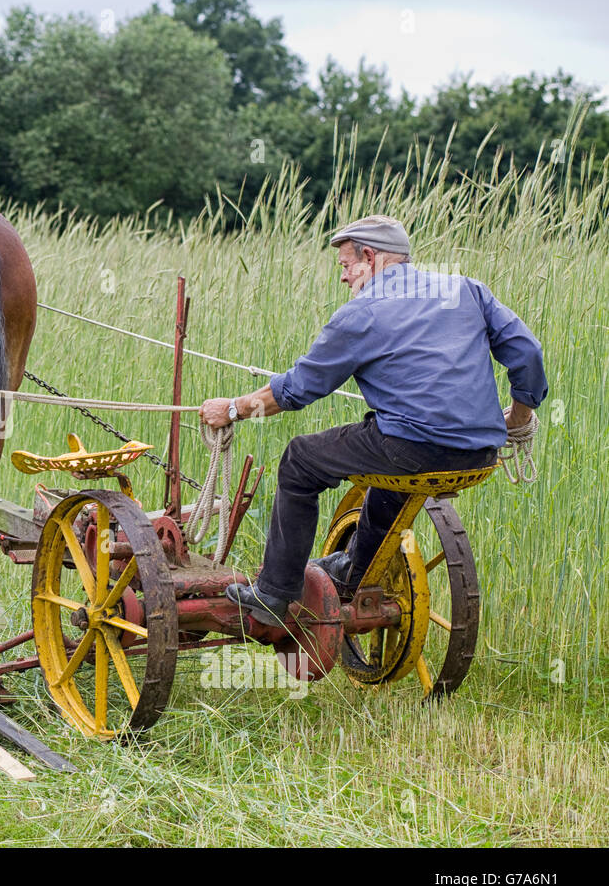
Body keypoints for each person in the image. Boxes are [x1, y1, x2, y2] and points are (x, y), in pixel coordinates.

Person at [199, 215, 547, 626]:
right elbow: (528, 351)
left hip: (411, 448)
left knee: (299, 460)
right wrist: (519, 417)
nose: (344, 279)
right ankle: (357, 570)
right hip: (481, 456)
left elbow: (297, 390)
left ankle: (275, 592)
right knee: (390, 463)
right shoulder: (465, 289)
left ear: (370, 257)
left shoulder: (360, 314)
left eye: (346, 266)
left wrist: (234, 409)